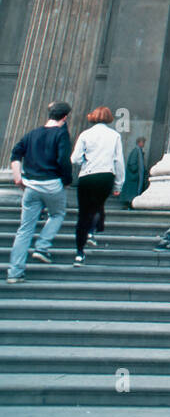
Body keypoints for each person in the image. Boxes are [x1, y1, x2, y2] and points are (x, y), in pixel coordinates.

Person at [7, 101, 73, 283]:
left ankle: (14, 272)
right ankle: (42, 247)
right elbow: (63, 161)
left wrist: (17, 177)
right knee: (57, 214)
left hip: (31, 186)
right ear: (65, 117)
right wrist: (67, 181)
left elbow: (15, 153)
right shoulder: (61, 134)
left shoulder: (32, 134)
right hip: (52, 184)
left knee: (24, 229)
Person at [70, 107, 125, 265]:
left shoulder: (85, 135)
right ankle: (92, 231)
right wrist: (118, 185)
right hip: (106, 175)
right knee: (98, 206)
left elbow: (75, 159)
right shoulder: (114, 135)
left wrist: (85, 160)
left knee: (83, 214)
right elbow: (118, 161)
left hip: (87, 175)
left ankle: (79, 253)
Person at [120, 137, 148, 209]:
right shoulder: (136, 151)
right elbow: (132, 163)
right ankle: (129, 204)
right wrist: (136, 172)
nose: (144, 144)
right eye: (143, 142)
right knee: (131, 192)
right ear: (139, 142)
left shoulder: (139, 151)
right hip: (134, 177)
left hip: (136, 177)